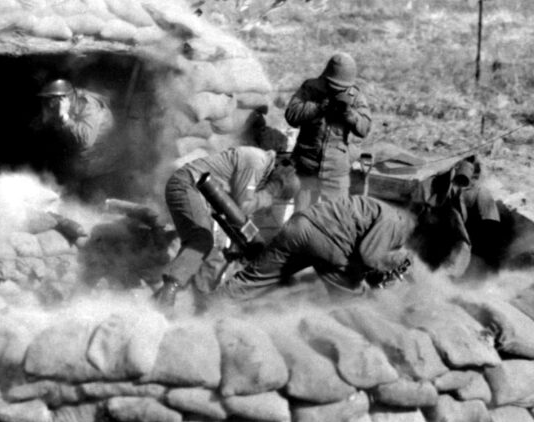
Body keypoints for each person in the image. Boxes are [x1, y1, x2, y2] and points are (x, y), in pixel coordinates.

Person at [154, 146, 300, 304]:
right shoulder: (256, 161)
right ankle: (167, 296)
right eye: (277, 192)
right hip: (188, 185)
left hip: (201, 196)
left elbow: (237, 217)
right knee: (201, 239)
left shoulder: (261, 172)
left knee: (212, 249)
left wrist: (245, 247)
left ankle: (173, 300)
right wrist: (267, 195)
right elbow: (242, 205)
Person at [218, 194, 422, 300]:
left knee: (250, 282)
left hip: (298, 226)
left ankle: (202, 313)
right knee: (351, 300)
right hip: (327, 242)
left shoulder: (377, 208)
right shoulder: (397, 222)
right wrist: (403, 258)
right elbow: (370, 256)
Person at [286, 51, 372, 210]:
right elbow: (292, 115)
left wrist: (349, 114)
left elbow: (364, 128)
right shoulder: (310, 88)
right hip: (307, 167)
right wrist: (319, 107)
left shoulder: (355, 95)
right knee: (301, 219)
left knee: (335, 220)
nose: (337, 91)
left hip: (336, 170)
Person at [33, 78, 115, 201]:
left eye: (51, 101)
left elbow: (85, 141)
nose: (49, 105)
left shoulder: (88, 105)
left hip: (96, 165)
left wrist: (64, 118)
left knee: (87, 206)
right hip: (77, 160)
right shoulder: (61, 102)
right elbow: (41, 124)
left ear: (63, 99)